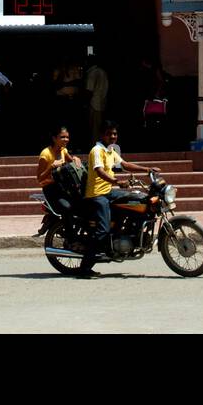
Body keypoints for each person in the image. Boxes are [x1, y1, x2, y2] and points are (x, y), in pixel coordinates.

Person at [82, 121, 159, 272]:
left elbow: (125, 164)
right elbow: (99, 171)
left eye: (115, 134)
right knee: (103, 230)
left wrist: (147, 169)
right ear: (102, 135)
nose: (112, 136)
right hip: (97, 194)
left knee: (135, 198)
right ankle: (85, 266)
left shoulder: (111, 150)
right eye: (109, 133)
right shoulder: (97, 150)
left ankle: (122, 231)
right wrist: (117, 181)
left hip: (109, 192)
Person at [35, 125, 83, 235]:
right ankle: (70, 238)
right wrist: (51, 167)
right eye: (62, 137)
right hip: (50, 189)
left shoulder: (64, 150)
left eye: (67, 137)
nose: (66, 139)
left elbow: (72, 162)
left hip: (63, 187)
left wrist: (75, 159)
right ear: (54, 138)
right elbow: (39, 178)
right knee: (67, 208)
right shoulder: (45, 154)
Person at [84, 58, 110, 149]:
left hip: (94, 104)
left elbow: (89, 91)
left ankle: (95, 148)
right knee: (99, 128)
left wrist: (85, 103)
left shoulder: (92, 73)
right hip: (101, 103)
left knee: (94, 129)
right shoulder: (103, 72)